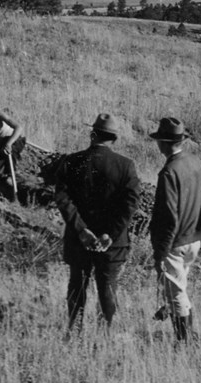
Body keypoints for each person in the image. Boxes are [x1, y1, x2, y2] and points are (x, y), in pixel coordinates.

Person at [51, 114, 143, 333]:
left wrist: (82, 230)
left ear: (92, 135)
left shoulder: (71, 162)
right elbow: (130, 204)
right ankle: (106, 335)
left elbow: (63, 199)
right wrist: (109, 234)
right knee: (108, 288)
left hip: (78, 239)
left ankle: (75, 331)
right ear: (114, 139)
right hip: (112, 243)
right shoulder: (125, 166)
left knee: (77, 285)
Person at [148, 117, 201, 343]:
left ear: (163, 144)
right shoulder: (196, 162)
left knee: (176, 294)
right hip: (195, 237)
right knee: (180, 289)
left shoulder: (169, 172)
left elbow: (168, 217)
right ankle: (188, 336)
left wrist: (160, 252)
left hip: (176, 241)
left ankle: (184, 342)